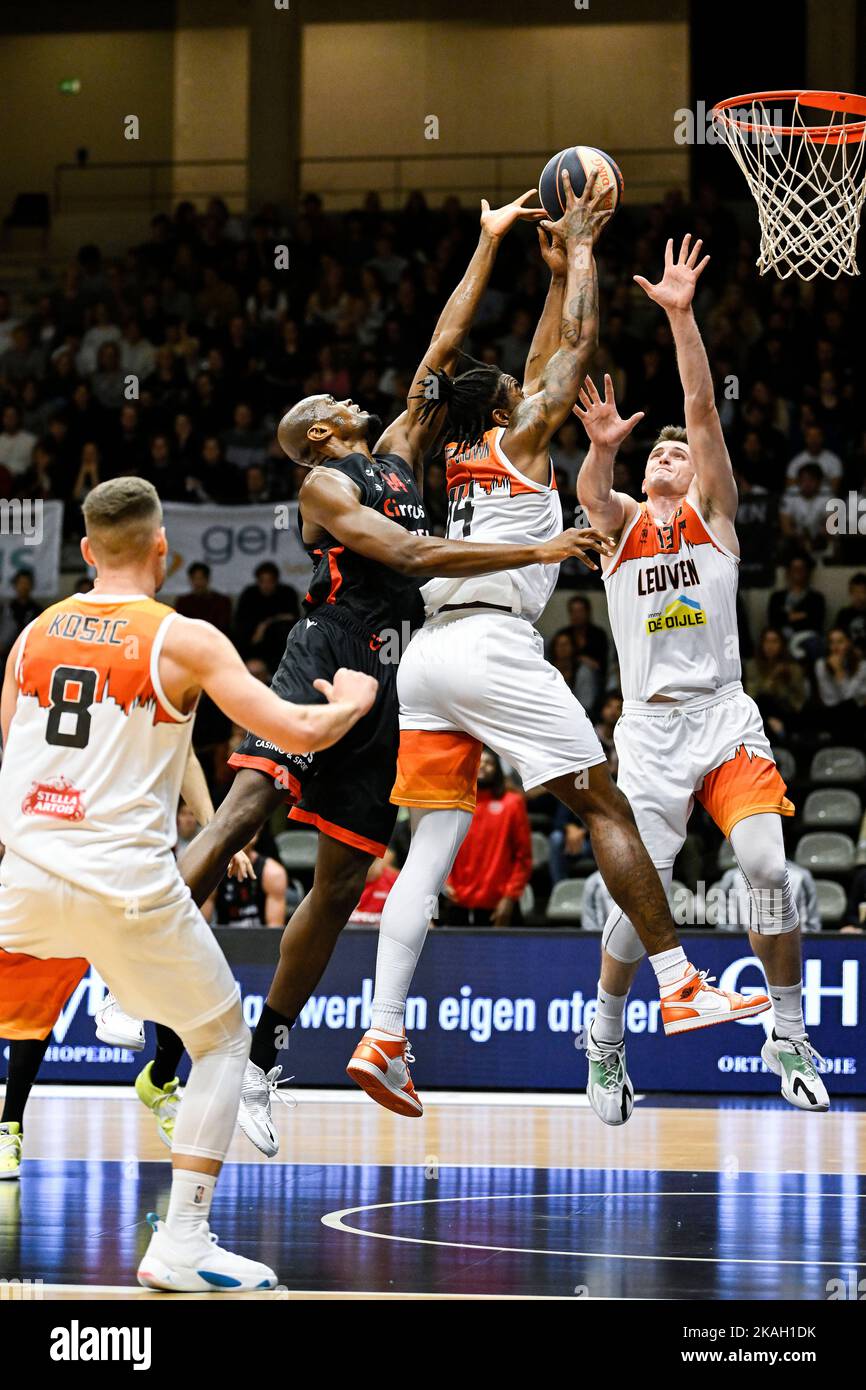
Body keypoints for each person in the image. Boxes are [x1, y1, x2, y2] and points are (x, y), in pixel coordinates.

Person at [127, 191, 608, 1157]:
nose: (343, 399)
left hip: (386, 683)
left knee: (343, 880)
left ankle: (262, 1053)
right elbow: (415, 557)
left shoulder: (393, 450)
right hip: (323, 655)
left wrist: (487, 245)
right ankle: (139, 1008)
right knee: (241, 815)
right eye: (323, 406)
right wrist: (540, 550)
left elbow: (443, 345)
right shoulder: (323, 485)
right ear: (311, 436)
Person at [346, 178, 767, 1121]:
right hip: (494, 644)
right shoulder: (525, 439)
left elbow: (455, 353)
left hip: (425, 659)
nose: (523, 379)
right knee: (600, 801)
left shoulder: (413, 446)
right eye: (515, 385)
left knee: (426, 852)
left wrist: (513, 260)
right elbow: (569, 353)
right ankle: (678, 978)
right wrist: (580, 248)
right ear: (504, 406)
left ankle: (383, 1030)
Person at [0, 476, 377, 1289]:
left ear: (87, 552)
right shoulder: (185, 638)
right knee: (221, 1043)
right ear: (163, 549)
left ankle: (114, 992)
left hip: (23, 877)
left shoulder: (31, 636)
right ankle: (181, 1244)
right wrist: (352, 701)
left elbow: (14, 750)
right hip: (122, 886)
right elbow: (295, 732)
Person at [573, 233, 828, 1125]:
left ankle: (788, 1030)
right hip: (646, 732)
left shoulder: (715, 522)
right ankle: (606, 1039)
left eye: (672, 457)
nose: (665, 460)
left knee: (768, 865)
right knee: (637, 899)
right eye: (656, 458)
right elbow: (591, 496)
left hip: (722, 719)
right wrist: (604, 448)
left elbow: (703, 414)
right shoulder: (620, 530)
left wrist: (681, 318)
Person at [441, 750, 532, 927]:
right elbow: (443, 849)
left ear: (497, 769)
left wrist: (510, 897)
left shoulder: (512, 803)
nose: (482, 765)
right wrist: (445, 883)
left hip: (498, 904)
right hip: (458, 902)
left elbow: (523, 857)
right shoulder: (454, 802)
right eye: (477, 761)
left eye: (489, 762)